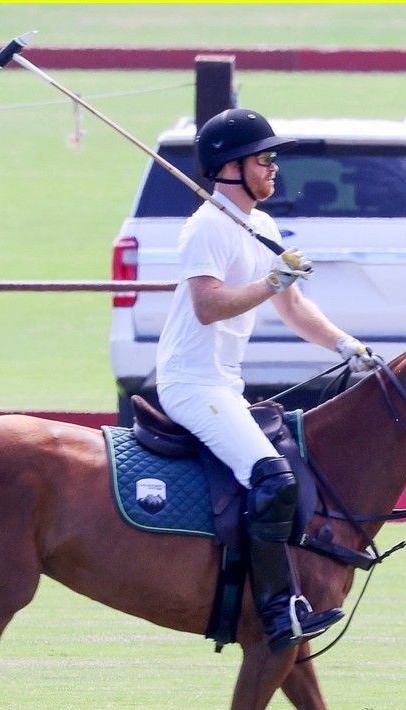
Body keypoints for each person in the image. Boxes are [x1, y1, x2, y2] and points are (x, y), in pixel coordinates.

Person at [155, 107, 383, 654]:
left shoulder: (259, 226)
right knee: (273, 479)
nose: (274, 167)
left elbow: (293, 305)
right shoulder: (207, 226)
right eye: (265, 158)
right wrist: (271, 279)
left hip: (223, 384)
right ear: (230, 167)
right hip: (190, 383)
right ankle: (277, 610)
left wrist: (345, 345)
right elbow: (208, 305)